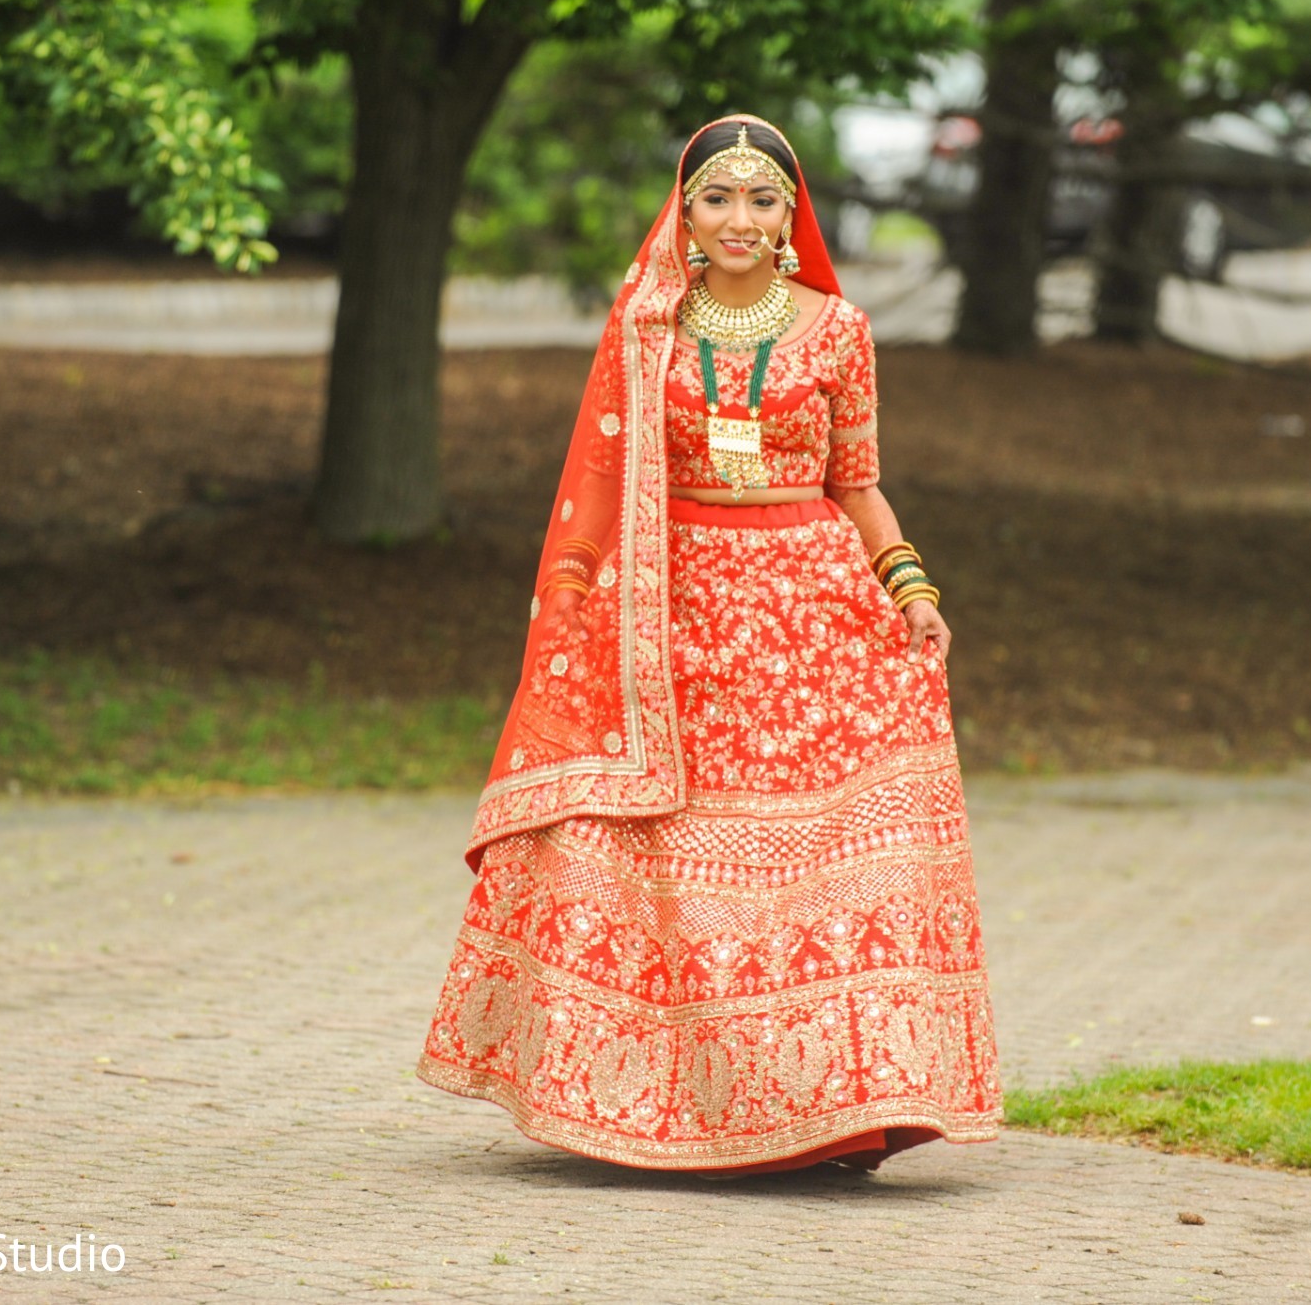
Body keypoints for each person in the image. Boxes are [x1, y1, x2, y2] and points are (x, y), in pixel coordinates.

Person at [415, 114, 1003, 1176]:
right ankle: (669, 1102)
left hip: (813, 622)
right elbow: (597, 472)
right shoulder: (647, 328)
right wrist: (568, 590)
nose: (740, 220)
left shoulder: (836, 328)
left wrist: (906, 581)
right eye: (718, 199)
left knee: (811, 863)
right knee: (665, 854)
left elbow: (854, 479)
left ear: (791, 216)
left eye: (762, 200)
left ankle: (837, 1103)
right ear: (683, 215)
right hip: (670, 619)